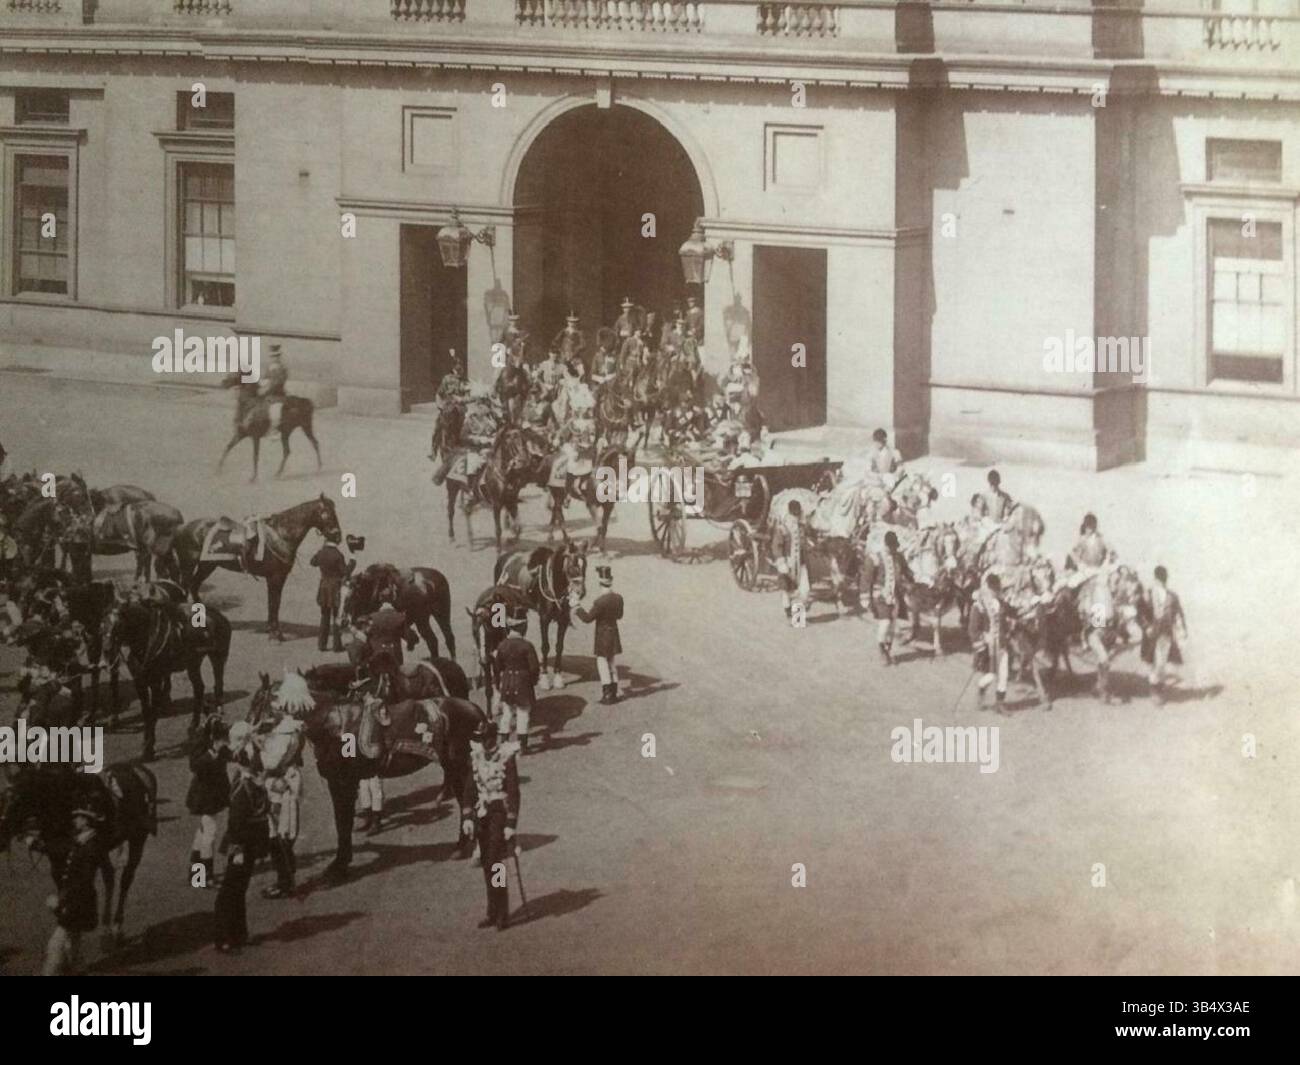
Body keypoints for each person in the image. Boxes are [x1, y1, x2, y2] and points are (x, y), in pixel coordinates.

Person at [214, 747, 270, 953]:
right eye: (260, 771)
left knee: (240, 890)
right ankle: (223, 938)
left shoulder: (255, 788)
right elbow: (235, 823)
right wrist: (237, 852)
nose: (263, 775)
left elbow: (262, 818)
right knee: (230, 891)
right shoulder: (243, 789)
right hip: (240, 847)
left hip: (250, 845)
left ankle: (238, 933)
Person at [468, 720, 521, 931]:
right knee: (486, 863)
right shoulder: (476, 756)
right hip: (482, 814)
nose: (483, 743)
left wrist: (511, 822)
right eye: (480, 739)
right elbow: (469, 788)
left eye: (485, 739)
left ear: (493, 738)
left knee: (496, 862)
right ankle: (492, 910)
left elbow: (514, 791)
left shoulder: (506, 757)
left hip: (499, 813)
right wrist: (466, 816)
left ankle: (502, 912)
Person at [42, 806, 102, 975]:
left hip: (77, 902)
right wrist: (37, 844)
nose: (75, 820)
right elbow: (62, 850)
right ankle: (79, 971)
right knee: (72, 944)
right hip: (79, 901)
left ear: (87, 822)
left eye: (79, 817)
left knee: (56, 945)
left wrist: (62, 900)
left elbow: (83, 880)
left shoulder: (90, 846)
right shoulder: (83, 841)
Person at [186, 716, 231, 889]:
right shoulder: (201, 743)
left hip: (213, 794)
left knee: (203, 831)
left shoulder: (216, 743)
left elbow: (230, 754)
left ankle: (195, 873)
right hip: (204, 794)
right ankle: (206, 876)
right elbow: (195, 766)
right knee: (210, 833)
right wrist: (213, 752)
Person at [1140, 565, 1188, 705]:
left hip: (1165, 633)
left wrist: (1182, 631)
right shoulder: (1148, 594)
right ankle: (1156, 690)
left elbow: (1179, 614)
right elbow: (1141, 613)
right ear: (1155, 579)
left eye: (1163, 579)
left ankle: (1157, 690)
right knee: (1155, 663)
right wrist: (1146, 627)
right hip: (1151, 634)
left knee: (1160, 663)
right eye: (1160, 579)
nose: (1161, 581)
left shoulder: (1172, 596)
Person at [576, 565, 624, 705]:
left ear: (600, 583)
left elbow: (587, 618)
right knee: (612, 662)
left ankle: (607, 694)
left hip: (603, 635)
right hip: (614, 633)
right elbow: (620, 616)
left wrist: (577, 607)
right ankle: (614, 692)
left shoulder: (600, 602)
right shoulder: (618, 598)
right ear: (611, 581)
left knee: (602, 662)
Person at [492, 616, 541, 752]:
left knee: (507, 713)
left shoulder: (502, 645)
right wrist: (533, 681)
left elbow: (497, 668)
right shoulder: (527, 645)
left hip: (507, 681)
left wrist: (497, 683)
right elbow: (534, 667)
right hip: (523, 682)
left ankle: (503, 742)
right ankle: (522, 746)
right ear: (523, 628)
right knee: (523, 713)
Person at [969, 572, 1015, 710]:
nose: (994, 592)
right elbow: (973, 629)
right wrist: (983, 640)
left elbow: (1008, 618)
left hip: (1001, 643)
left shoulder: (1002, 604)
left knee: (1004, 674)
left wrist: (1011, 624)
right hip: (987, 647)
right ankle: (980, 689)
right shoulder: (978, 606)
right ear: (987, 588)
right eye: (992, 589)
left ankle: (999, 704)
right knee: (991, 676)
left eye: (996, 589)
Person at [263, 753, 303, 899]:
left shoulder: (286, 736)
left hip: (284, 786)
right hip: (276, 787)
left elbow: (272, 764)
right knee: (274, 838)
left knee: (281, 839)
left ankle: (286, 883)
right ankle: (284, 880)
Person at [872, 529, 913, 664]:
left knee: (892, 625)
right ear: (886, 545)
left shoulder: (899, 557)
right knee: (885, 623)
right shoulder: (876, 557)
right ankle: (881, 651)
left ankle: (887, 652)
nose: (893, 549)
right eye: (891, 546)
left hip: (895, 595)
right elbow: (868, 577)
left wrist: (914, 580)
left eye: (895, 546)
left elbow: (907, 571)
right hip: (881, 595)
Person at [310, 530, 354, 653]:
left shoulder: (322, 552)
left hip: (324, 586)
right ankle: (336, 645)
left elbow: (312, 562)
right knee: (337, 616)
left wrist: (320, 550)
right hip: (335, 588)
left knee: (324, 616)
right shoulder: (338, 555)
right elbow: (345, 572)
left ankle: (322, 644)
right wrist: (352, 563)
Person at [773, 498, 810, 627]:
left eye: (798, 514)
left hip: (802, 563)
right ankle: (789, 611)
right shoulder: (782, 528)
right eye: (795, 514)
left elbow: (807, 539)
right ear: (790, 513)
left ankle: (798, 619)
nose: (797, 517)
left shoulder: (802, 526)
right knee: (788, 591)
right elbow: (776, 546)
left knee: (804, 590)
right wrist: (781, 561)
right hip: (788, 564)